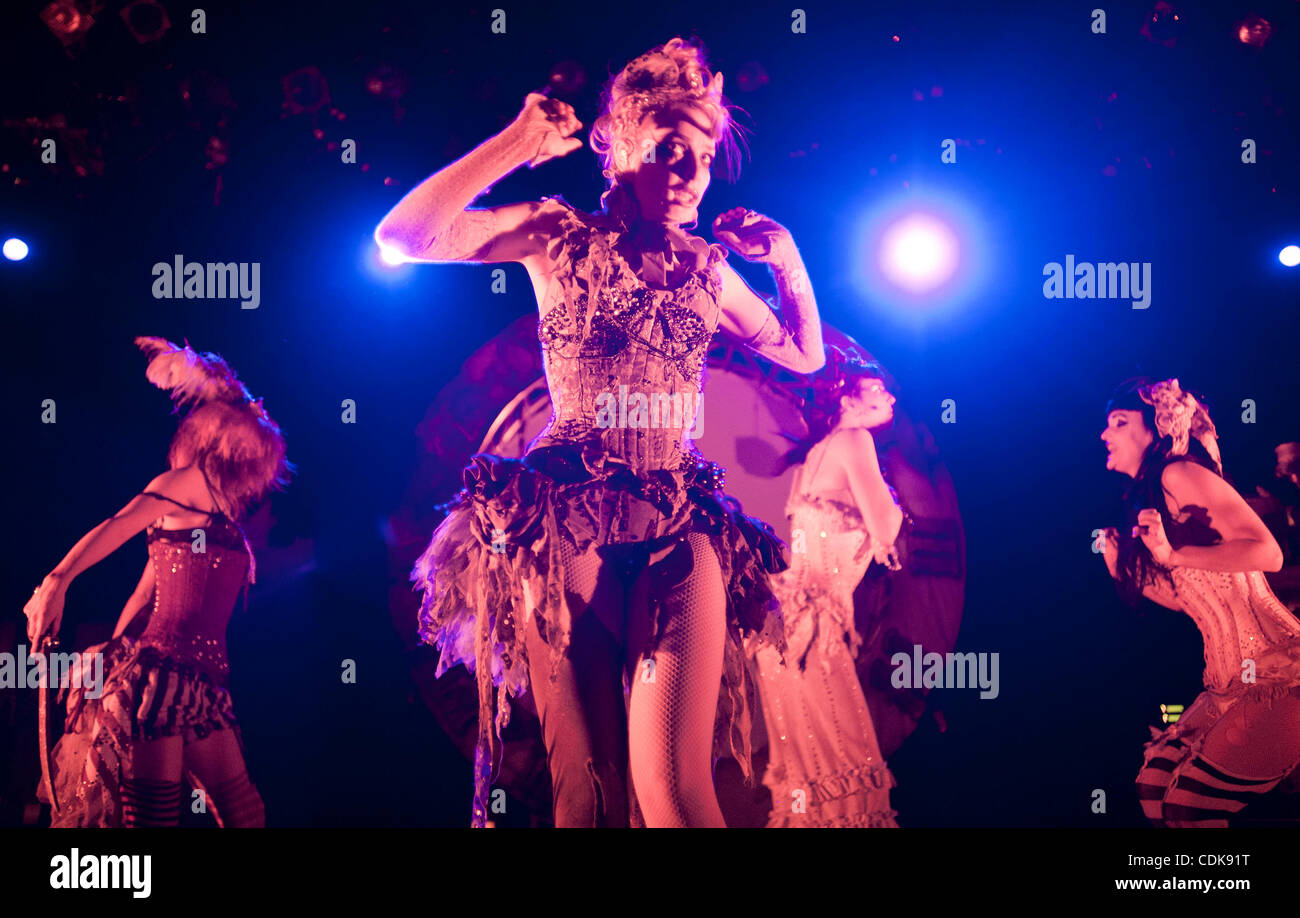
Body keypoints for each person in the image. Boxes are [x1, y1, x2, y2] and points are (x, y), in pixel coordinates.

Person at [379, 36, 825, 827]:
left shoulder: (710, 268)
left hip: (681, 514)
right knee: (590, 791)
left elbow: (803, 354)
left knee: (678, 793)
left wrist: (789, 262)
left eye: (705, 153)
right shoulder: (557, 237)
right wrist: (516, 144)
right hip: (566, 517)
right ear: (614, 146)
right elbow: (403, 239)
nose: (692, 171)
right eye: (669, 148)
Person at [24, 336, 292, 827]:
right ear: (214, 435)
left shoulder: (221, 510)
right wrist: (57, 581)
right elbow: (116, 526)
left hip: (205, 682)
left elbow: (147, 589)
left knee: (245, 812)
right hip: (163, 677)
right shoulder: (183, 485)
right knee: (154, 816)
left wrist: (115, 643)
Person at [1099, 377, 1300, 826]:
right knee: (1154, 785)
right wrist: (1123, 569)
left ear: (1154, 427)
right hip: (1230, 684)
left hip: (1282, 675)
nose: (1104, 435)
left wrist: (1172, 554)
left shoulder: (1179, 473)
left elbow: (1268, 552)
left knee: (1189, 804)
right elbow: (1193, 601)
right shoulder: (1158, 494)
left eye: (1118, 422)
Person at [751, 352, 905, 827]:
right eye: (878, 388)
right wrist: (893, 510)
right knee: (844, 757)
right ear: (846, 394)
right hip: (814, 628)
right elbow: (884, 525)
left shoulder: (813, 456)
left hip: (782, 629)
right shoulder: (854, 440)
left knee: (806, 770)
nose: (891, 396)